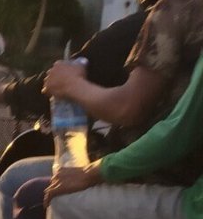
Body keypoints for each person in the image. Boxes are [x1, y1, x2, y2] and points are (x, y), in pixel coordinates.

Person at [10, 0, 203, 218]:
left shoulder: (173, 11)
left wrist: (94, 170)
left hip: (164, 181)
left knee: (43, 194)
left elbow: (139, 114)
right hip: (174, 175)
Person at [0, 10, 146, 219]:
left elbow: (123, 105)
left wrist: (4, 92)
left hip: (142, 176)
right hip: (142, 169)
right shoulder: (164, 21)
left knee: (13, 181)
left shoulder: (152, 21)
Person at [44, 53, 203, 219]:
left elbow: (173, 134)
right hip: (142, 165)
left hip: (192, 204)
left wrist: (94, 172)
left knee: (62, 200)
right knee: (35, 180)